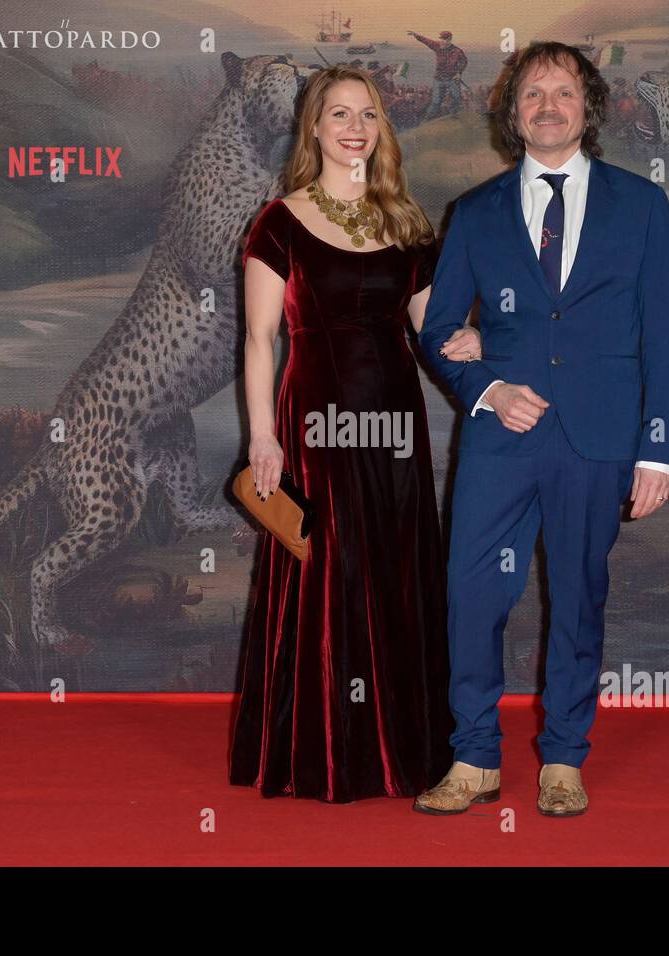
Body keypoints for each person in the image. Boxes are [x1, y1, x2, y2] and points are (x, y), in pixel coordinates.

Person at [413, 41, 669, 816]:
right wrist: (489, 383)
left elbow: (662, 334)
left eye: (563, 92)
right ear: (513, 112)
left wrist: (657, 450)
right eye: (533, 93)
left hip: (598, 440)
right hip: (500, 441)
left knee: (578, 596)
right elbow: (436, 331)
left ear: (587, 108)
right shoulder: (475, 212)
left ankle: (564, 757)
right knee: (470, 594)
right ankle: (473, 757)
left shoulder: (641, 205)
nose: (548, 105)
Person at [231, 65, 481, 803]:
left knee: (394, 570)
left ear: (382, 128)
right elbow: (258, 339)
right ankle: (326, 751)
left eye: (367, 115)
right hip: (316, 424)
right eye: (338, 114)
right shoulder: (278, 220)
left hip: (397, 429)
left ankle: (400, 747)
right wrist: (263, 438)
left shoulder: (404, 221)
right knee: (331, 573)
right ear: (313, 127)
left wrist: (476, 344)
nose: (353, 128)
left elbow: (433, 333)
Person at [407, 30, 467, 122]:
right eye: (441, 39)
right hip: (438, 79)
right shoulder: (437, 46)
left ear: (450, 39)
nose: (442, 41)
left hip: (452, 79)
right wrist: (416, 35)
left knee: (456, 97)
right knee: (436, 102)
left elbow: (464, 61)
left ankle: (453, 114)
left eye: (444, 39)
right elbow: (426, 41)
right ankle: (427, 119)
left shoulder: (457, 51)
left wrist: (459, 73)